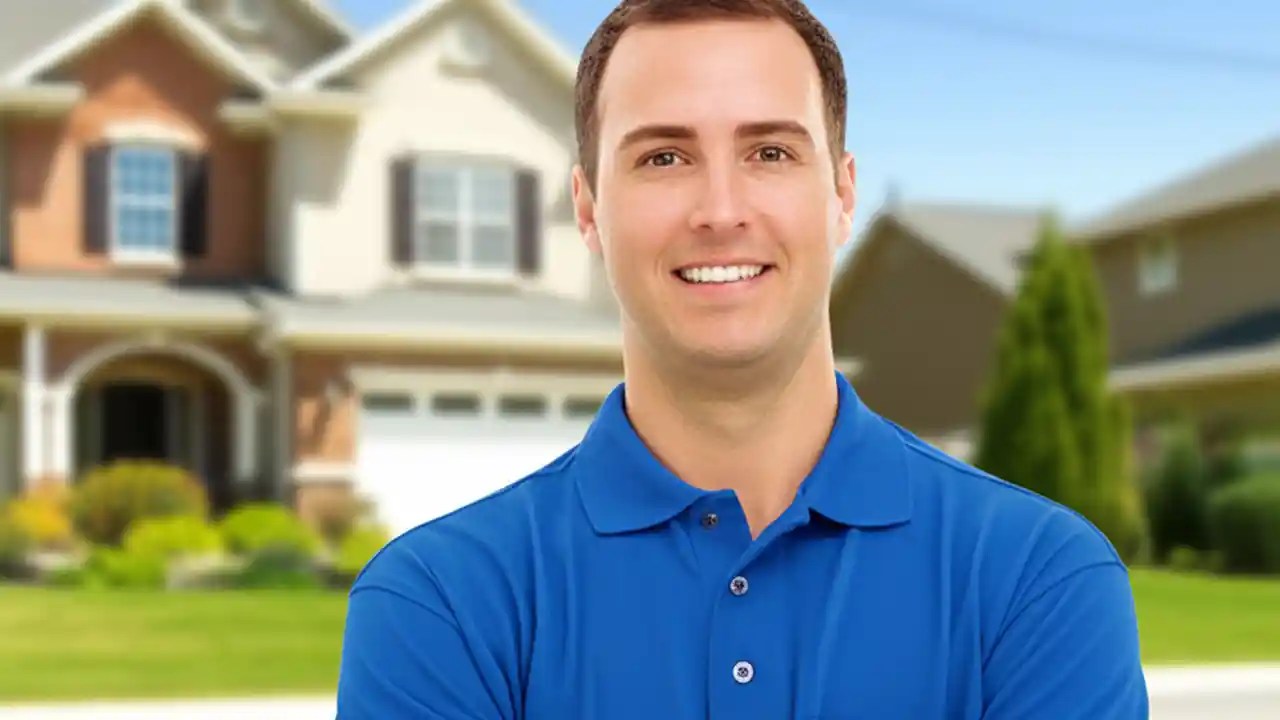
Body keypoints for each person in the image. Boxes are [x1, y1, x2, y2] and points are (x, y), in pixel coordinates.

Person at [336, 0, 1149, 717]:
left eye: (770, 153)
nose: (720, 211)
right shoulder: (439, 604)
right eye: (664, 157)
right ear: (587, 209)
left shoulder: (1037, 581)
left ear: (842, 195)